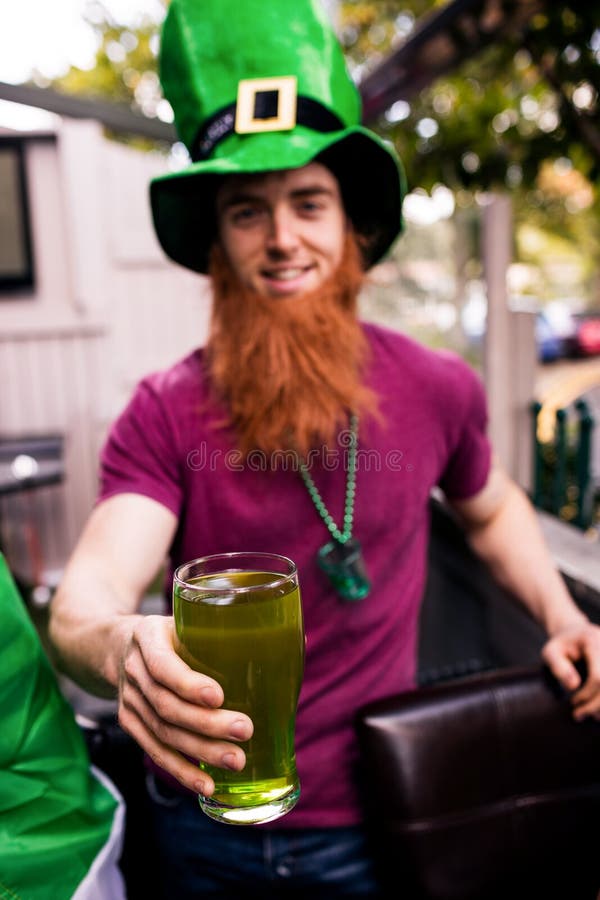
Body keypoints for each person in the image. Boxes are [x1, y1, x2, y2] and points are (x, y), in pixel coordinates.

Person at [48, 0, 600, 897]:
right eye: (246, 211)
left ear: (353, 232)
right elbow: (85, 601)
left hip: (378, 819)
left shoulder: (436, 387)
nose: (281, 240)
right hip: (203, 821)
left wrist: (565, 616)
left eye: (309, 202)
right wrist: (117, 649)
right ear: (218, 246)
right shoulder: (164, 411)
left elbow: (492, 504)